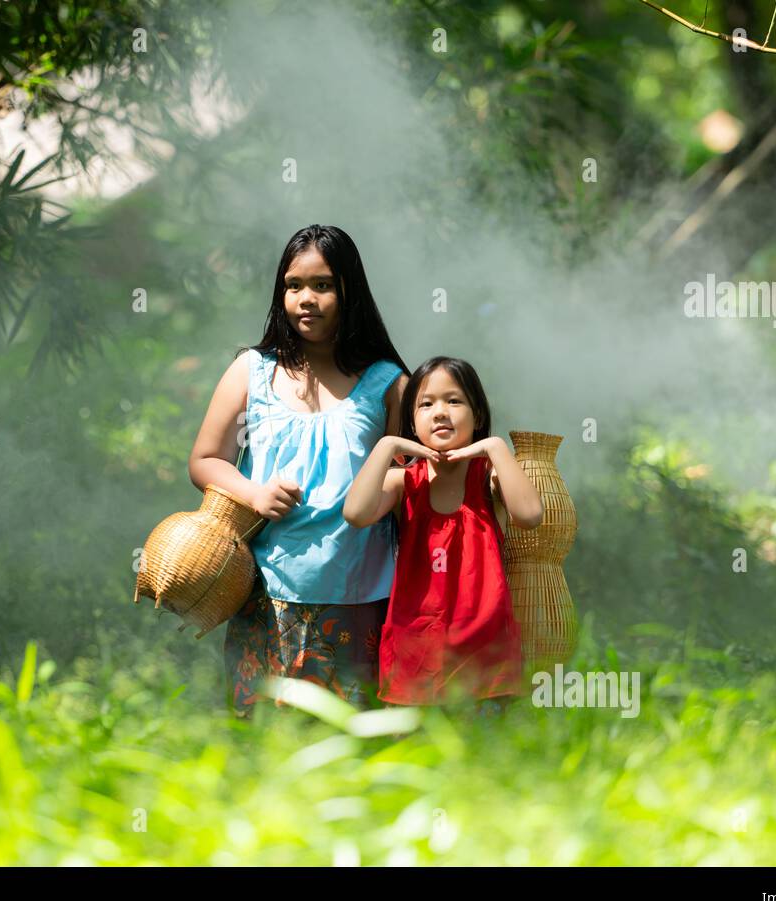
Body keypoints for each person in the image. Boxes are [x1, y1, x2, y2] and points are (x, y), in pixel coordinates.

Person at [188, 225, 411, 718]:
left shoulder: (388, 383)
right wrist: (254, 493)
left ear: (350, 291)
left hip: (360, 595)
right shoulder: (251, 370)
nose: (305, 299)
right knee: (264, 742)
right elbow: (205, 460)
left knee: (352, 745)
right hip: (264, 592)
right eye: (293, 286)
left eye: (323, 285)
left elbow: (412, 482)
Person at [342, 356, 544, 709]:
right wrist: (388, 445)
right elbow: (355, 514)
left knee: (482, 758)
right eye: (426, 404)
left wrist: (494, 447)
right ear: (412, 420)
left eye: (454, 401)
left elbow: (529, 515)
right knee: (417, 757)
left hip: (485, 653)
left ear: (477, 415)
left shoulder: (487, 475)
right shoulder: (404, 481)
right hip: (417, 650)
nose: (440, 412)